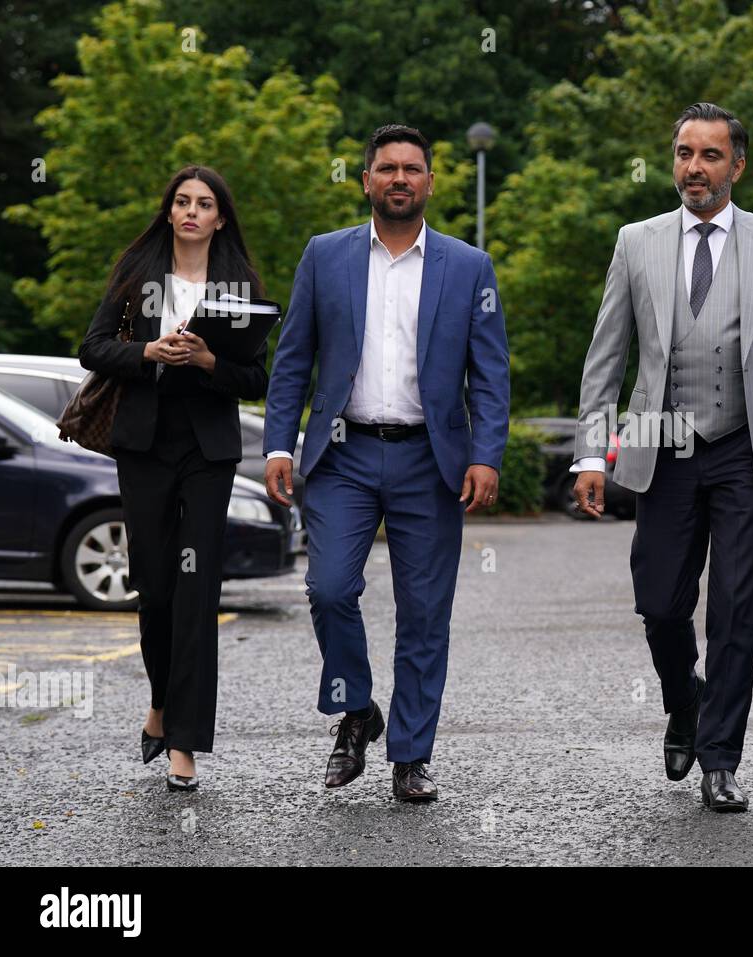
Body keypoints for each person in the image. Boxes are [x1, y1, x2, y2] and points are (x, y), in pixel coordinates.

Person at [571, 102, 753, 813]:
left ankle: (721, 759)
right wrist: (590, 452)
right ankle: (684, 701)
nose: (694, 167)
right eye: (684, 153)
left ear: (737, 165)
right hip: (662, 446)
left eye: (710, 155)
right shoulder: (637, 241)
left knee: (737, 608)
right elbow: (607, 356)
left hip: (745, 447)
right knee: (658, 602)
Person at [263, 124, 510, 802]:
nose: (399, 179)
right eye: (386, 168)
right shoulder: (325, 256)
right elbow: (292, 362)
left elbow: (490, 374)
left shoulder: (468, 267)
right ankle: (356, 708)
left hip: (430, 461)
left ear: (430, 182)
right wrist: (280, 443)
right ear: (366, 180)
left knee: (425, 613)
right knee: (330, 589)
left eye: (412, 169)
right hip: (340, 455)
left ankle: (410, 754)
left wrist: (486, 453)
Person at [79, 165, 270, 792]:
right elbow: (92, 347)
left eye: (205, 203)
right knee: (157, 588)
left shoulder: (239, 283)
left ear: (220, 217)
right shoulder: (138, 277)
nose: (192, 211)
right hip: (145, 446)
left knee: (197, 594)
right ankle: (161, 704)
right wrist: (146, 353)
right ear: (169, 212)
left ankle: (184, 742)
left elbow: (256, 378)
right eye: (182, 202)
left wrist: (210, 358)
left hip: (208, 451)